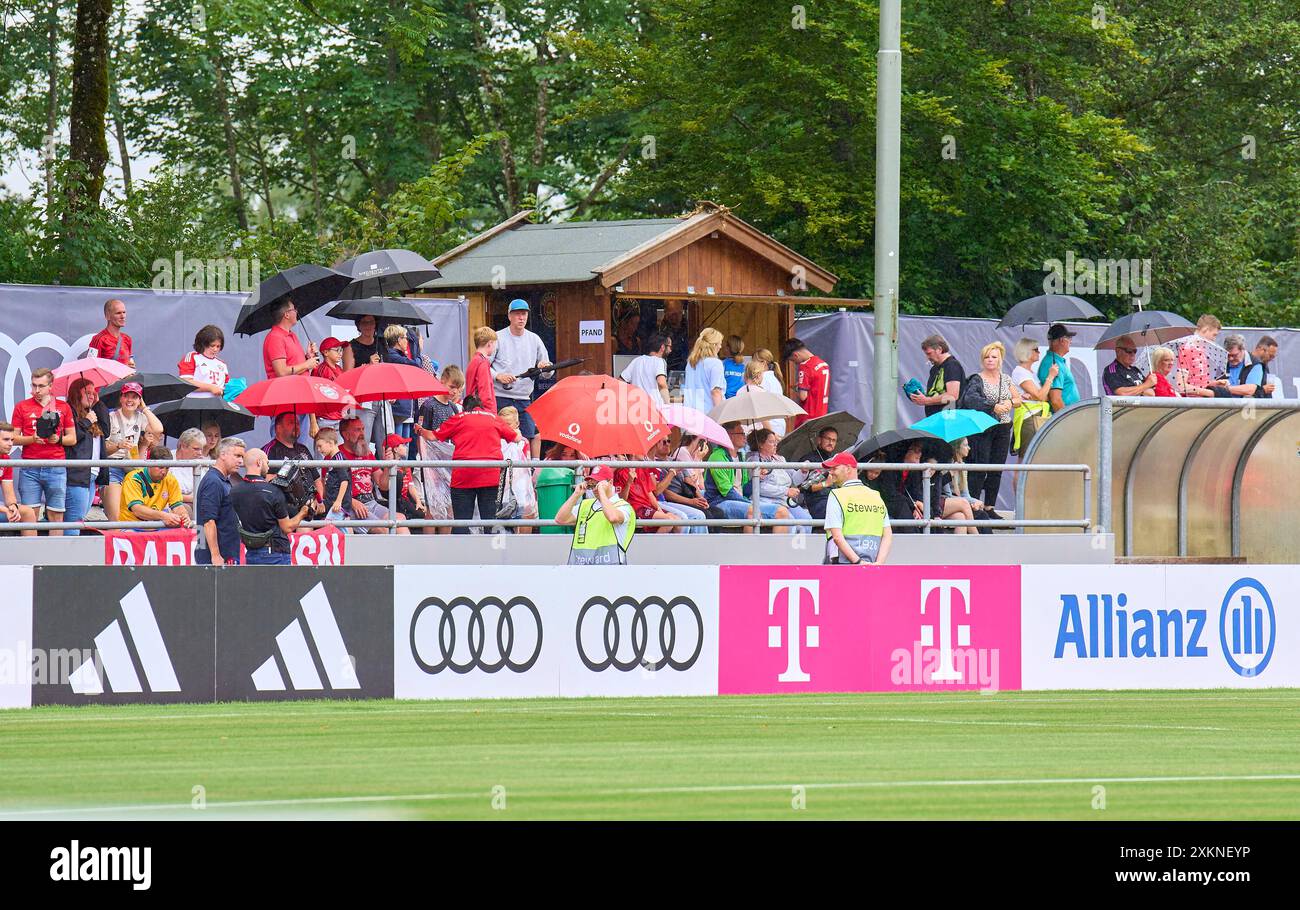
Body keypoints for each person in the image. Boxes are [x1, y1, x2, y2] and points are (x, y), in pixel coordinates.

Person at [433, 395, 521, 534]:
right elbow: (516, 438)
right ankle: (491, 554)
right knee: (490, 523)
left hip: (463, 475)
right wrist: (516, 430)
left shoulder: (459, 418)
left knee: (461, 523)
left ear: (465, 408)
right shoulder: (493, 418)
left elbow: (433, 436)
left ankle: (460, 555)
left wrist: (420, 430)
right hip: (490, 475)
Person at [12, 367, 77, 534]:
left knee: (56, 515)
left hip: (56, 467)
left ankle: (54, 559)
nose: (36, 390)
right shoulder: (22, 406)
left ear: (51, 386)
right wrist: (31, 439)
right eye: (34, 386)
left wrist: (58, 439)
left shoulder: (63, 407)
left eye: (41, 386)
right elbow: (13, 438)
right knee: (29, 516)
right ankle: (30, 559)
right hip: (30, 467)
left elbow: (72, 439)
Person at [491, 299, 552, 458]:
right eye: (517, 314)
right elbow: (483, 366)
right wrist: (498, 376)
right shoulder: (498, 338)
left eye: (524, 314)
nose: (521, 317)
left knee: (529, 436)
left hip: (524, 399)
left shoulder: (535, 339)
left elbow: (548, 372)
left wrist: (545, 367)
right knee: (498, 438)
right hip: (500, 397)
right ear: (509, 316)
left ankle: (530, 471)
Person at [965, 341, 1020, 516]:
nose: (990, 360)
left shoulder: (1006, 379)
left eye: (994, 357)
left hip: (1003, 428)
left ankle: (990, 507)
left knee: (996, 468)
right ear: (982, 360)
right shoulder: (977, 379)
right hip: (983, 428)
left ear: (1000, 359)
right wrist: (993, 406)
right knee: (980, 467)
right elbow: (970, 400)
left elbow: (1018, 400)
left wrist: (1009, 402)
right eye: (987, 357)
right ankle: (974, 505)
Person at [705, 422, 791, 533]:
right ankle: (751, 549)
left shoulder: (741, 456)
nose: (745, 436)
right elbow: (727, 492)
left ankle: (778, 550)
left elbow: (745, 490)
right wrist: (749, 503)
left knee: (782, 512)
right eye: (741, 433)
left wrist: (757, 478)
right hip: (720, 503)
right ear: (729, 435)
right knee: (753, 511)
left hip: (740, 501)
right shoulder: (717, 457)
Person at [232, 448, 310, 564]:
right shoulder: (273, 492)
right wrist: (303, 513)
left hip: (251, 553)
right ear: (259, 462)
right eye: (267, 463)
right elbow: (287, 527)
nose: (268, 467)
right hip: (275, 552)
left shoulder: (234, 491)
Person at [415, 363, 464, 534]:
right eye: (451, 386)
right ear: (442, 381)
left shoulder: (453, 408)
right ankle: (429, 550)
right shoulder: (428, 406)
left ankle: (445, 546)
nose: (454, 392)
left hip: (448, 463)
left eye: (458, 389)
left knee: (449, 506)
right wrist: (425, 463)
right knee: (432, 507)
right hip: (431, 464)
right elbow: (420, 434)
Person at [821, 451, 892, 565]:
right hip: (872, 564)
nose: (831, 472)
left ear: (848, 469)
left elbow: (837, 537)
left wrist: (858, 562)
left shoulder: (836, 495)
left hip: (841, 564)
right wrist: (879, 563)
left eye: (834, 468)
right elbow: (887, 535)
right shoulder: (876, 495)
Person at [555, 464, 636, 564]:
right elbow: (560, 519)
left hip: (610, 569)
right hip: (582, 567)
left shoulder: (623, 506)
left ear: (610, 482)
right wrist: (576, 495)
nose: (594, 489)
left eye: (598, 484)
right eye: (592, 485)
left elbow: (612, 517)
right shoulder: (586, 505)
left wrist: (602, 492)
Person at [63, 377, 113, 536]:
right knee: (74, 520)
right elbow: (71, 438)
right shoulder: (69, 411)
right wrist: (85, 421)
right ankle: (67, 558)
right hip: (77, 474)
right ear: (76, 393)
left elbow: (106, 430)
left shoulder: (91, 413)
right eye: (87, 392)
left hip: (91, 475)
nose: (91, 396)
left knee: (80, 519)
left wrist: (98, 403)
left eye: (94, 393)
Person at [750, 428, 812, 532]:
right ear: (760, 444)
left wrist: (803, 470)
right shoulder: (753, 460)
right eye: (771, 442)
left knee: (807, 520)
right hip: (766, 500)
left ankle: (803, 548)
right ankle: (786, 548)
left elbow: (794, 479)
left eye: (776, 441)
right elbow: (759, 487)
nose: (775, 444)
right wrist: (786, 491)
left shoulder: (779, 459)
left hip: (784, 500)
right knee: (791, 524)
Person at [195, 436, 245, 566]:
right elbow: (208, 521)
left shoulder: (221, 480)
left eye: (242, 457)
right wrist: (215, 555)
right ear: (222, 454)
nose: (241, 461)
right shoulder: (213, 481)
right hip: (217, 557)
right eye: (237, 456)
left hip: (225, 554)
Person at [644, 437, 706, 533]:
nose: (667, 444)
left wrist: (701, 499)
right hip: (661, 501)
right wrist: (673, 471)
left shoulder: (674, 460)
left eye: (669, 441)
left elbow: (690, 481)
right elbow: (657, 491)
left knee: (710, 512)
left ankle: (702, 545)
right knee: (689, 518)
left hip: (670, 499)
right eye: (663, 441)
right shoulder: (651, 463)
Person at [119, 446, 189, 527]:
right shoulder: (133, 478)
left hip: (156, 526)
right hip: (130, 526)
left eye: (167, 468)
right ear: (149, 463)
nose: (164, 472)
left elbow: (177, 506)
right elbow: (137, 510)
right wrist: (163, 516)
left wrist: (184, 515)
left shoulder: (170, 479)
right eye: (160, 467)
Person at [342, 314, 384, 441]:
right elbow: (347, 377)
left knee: (385, 443)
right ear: (358, 325)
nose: (368, 326)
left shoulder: (381, 343)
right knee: (362, 441)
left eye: (371, 322)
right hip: (363, 400)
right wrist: (368, 367)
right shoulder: (351, 347)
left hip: (382, 398)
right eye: (364, 322)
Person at [1011, 337, 1055, 456]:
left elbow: (1045, 397)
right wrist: (1050, 377)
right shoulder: (1020, 372)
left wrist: (1039, 395)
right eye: (1036, 349)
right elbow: (1041, 396)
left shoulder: (1032, 374)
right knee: (1026, 460)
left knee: (1035, 458)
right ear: (1027, 351)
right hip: (1029, 417)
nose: (1039, 352)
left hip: (1039, 416)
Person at [497, 407, 538, 533]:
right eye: (502, 424)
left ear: (517, 424)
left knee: (523, 512)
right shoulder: (497, 440)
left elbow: (526, 464)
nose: (505, 428)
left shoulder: (523, 442)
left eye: (508, 424)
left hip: (519, 483)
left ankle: (524, 545)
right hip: (502, 484)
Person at [262, 298, 320, 379]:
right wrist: (307, 364)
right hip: (286, 389)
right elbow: (281, 372)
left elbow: (293, 363)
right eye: (294, 309)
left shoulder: (292, 335)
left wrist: (307, 357)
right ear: (287, 314)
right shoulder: (275, 338)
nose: (297, 312)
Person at [382, 324, 422, 438]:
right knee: (397, 447)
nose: (407, 342)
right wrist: (418, 355)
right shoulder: (392, 356)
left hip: (403, 408)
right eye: (405, 338)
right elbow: (416, 365)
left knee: (404, 448)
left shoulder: (397, 355)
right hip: (398, 408)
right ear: (398, 340)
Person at [910, 334, 964, 416]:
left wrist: (927, 400)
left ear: (939, 349)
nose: (927, 357)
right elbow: (934, 393)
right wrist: (918, 395)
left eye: (929, 353)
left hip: (948, 418)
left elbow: (952, 396)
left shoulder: (952, 365)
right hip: (934, 418)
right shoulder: (934, 368)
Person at [782, 337, 830, 428]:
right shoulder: (823, 364)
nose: (795, 363)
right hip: (822, 413)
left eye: (792, 360)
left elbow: (803, 396)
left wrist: (797, 388)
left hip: (808, 416)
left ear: (796, 355)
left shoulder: (805, 367)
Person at [794, 426, 840, 520]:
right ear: (819, 440)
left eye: (834, 440)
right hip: (816, 501)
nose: (831, 443)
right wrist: (825, 484)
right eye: (828, 439)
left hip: (834, 497)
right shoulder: (808, 460)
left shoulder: (836, 459)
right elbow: (803, 488)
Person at [0, 423, 38, 533]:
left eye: (12, 440)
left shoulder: (6, 459)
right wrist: (4, 509)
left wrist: (13, 506)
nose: (10, 444)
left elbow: (9, 496)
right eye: (6, 440)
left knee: (27, 512)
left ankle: (32, 550)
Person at [620, 332, 672, 406]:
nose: (670, 350)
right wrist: (667, 404)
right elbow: (661, 383)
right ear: (663, 347)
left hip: (636, 408)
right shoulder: (659, 361)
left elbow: (620, 381)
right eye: (670, 347)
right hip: (653, 408)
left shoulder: (637, 360)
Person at [177, 324, 229, 398]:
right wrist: (211, 388)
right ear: (203, 344)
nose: (215, 349)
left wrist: (236, 388)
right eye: (212, 345)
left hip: (216, 406)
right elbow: (185, 382)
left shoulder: (222, 364)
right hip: (194, 404)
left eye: (218, 346)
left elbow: (226, 388)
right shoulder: (192, 357)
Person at [315, 428, 353, 526]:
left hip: (339, 505)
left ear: (331, 443)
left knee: (330, 529)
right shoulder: (333, 459)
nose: (319, 450)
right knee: (338, 530)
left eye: (320, 446)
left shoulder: (339, 459)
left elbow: (344, 481)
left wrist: (338, 501)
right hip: (332, 502)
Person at [1176, 314, 1222, 395]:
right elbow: (1181, 386)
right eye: (1214, 335)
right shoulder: (1187, 349)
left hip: (1201, 402)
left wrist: (1214, 383)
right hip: (1192, 403)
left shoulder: (1201, 350)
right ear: (1205, 329)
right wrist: (1208, 393)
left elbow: (1197, 381)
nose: (1214, 339)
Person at [1038, 324, 1079, 412]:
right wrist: (1068, 418)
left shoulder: (1057, 361)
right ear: (1061, 340)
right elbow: (1055, 400)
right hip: (1063, 421)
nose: (1070, 342)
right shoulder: (1053, 363)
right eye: (1069, 338)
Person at [685, 327, 726, 413]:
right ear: (714, 345)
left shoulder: (690, 363)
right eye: (719, 343)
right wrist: (719, 417)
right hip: (708, 414)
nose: (720, 347)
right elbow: (716, 392)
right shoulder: (715, 363)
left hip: (689, 413)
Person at [312, 337, 348, 429]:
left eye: (341, 350)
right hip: (325, 419)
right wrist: (313, 422)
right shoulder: (319, 370)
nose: (340, 353)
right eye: (337, 350)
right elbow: (312, 396)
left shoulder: (340, 370)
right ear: (326, 352)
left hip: (340, 419)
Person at [750, 349, 787, 437]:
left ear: (763, 363)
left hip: (771, 425)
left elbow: (759, 406)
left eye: (754, 362)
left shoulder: (764, 379)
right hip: (778, 424)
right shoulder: (773, 378)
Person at [88, 298, 135, 367]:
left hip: (127, 378)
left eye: (124, 312)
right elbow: (90, 367)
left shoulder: (127, 339)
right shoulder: (99, 339)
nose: (123, 316)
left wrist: (131, 367)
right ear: (108, 316)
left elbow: (130, 363)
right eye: (118, 313)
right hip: (108, 378)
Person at [170, 427, 208, 508]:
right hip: (172, 506)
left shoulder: (198, 462)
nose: (200, 453)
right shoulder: (168, 459)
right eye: (196, 449)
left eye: (201, 449)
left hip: (195, 504)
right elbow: (165, 493)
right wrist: (191, 498)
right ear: (183, 446)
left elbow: (204, 490)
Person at [466, 326, 498, 413]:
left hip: (472, 409)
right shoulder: (483, 362)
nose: (495, 347)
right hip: (483, 411)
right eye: (495, 344)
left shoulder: (473, 361)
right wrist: (490, 411)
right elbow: (485, 390)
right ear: (489, 343)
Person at [659, 301, 690, 373]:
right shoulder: (659, 330)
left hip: (687, 370)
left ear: (682, 311)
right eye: (671, 314)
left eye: (677, 313)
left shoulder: (690, 328)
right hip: (666, 370)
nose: (674, 317)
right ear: (665, 313)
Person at [722, 334, 747, 398]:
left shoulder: (723, 364)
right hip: (740, 399)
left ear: (727, 348)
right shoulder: (743, 367)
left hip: (726, 401)